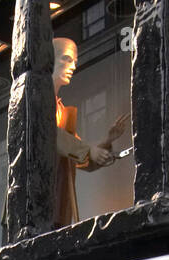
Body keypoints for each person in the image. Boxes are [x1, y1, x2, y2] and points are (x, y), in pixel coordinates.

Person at [52, 37, 129, 228]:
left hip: (56, 205)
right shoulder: (33, 98)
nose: (72, 67)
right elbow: (49, 135)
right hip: (36, 203)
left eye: (75, 62)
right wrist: (90, 150)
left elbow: (80, 156)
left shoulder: (61, 111)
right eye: (66, 59)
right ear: (49, 60)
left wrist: (106, 141)